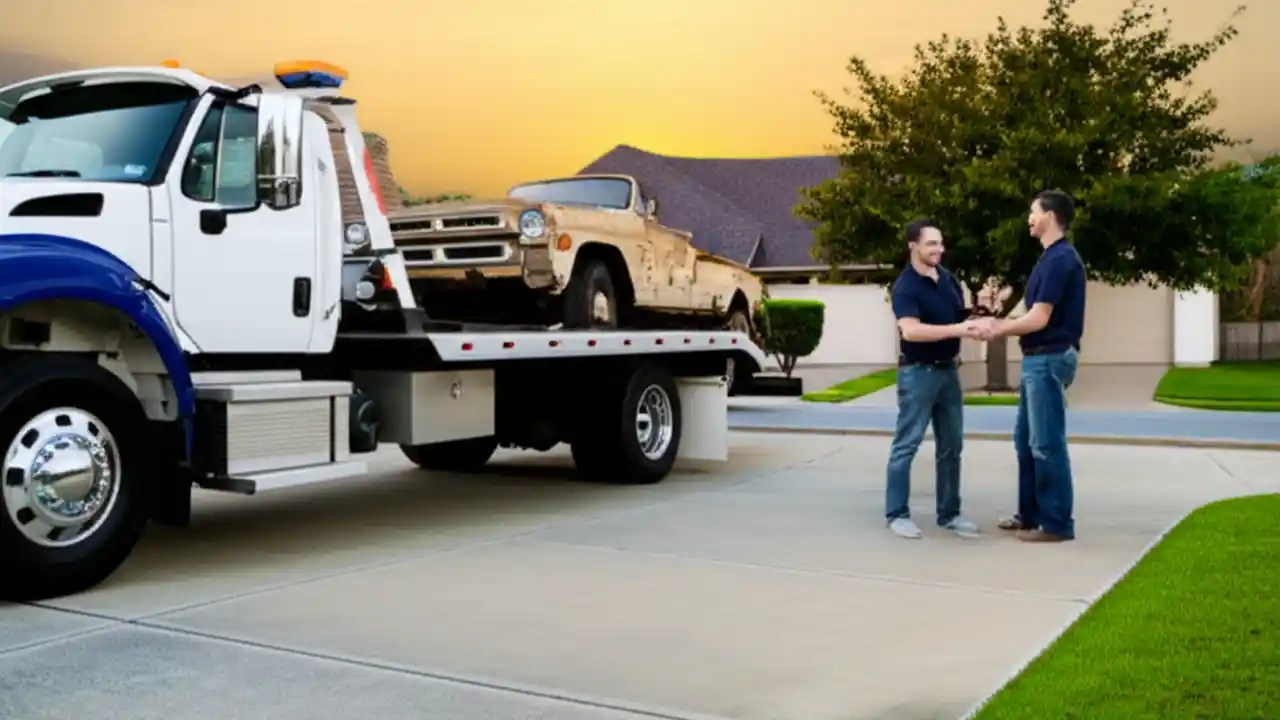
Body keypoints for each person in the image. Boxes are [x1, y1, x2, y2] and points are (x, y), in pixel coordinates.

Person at [979, 189, 1086, 542]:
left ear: (1051, 216)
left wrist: (999, 329)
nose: (1029, 218)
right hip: (1037, 360)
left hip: (1049, 358)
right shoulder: (1047, 259)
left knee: (1045, 443)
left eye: (1033, 211)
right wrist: (990, 317)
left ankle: (1056, 525)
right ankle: (1029, 516)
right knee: (1025, 442)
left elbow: (1039, 317)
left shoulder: (1061, 260)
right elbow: (1029, 313)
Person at [884, 217, 983, 539]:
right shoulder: (906, 286)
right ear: (913, 245)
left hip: (948, 373)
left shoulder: (948, 280)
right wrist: (957, 330)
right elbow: (910, 330)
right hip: (918, 374)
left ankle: (950, 514)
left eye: (940, 243)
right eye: (931, 243)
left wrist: (979, 318)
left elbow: (957, 317)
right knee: (907, 445)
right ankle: (897, 514)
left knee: (951, 446)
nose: (939, 249)